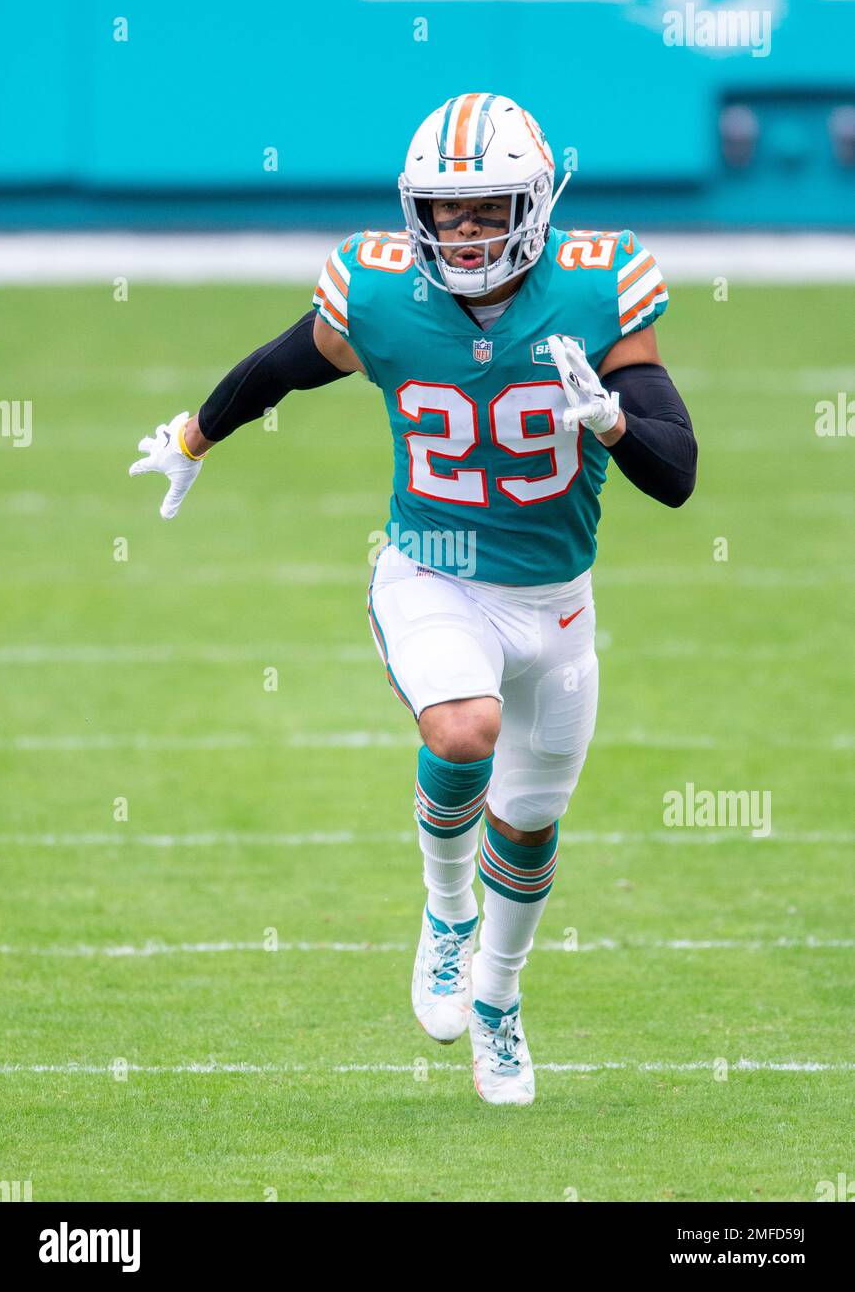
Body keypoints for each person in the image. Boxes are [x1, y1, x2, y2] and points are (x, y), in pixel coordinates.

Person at [130, 93, 697, 1106]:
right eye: (446, 210)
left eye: (485, 208)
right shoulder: (379, 294)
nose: (464, 229)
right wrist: (191, 438)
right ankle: (444, 915)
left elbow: (676, 472)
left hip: (557, 602)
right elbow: (281, 367)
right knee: (463, 725)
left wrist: (609, 420)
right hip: (429, 570)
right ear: (416, 212)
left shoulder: (598, 284)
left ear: (531, 202)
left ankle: (498, 1001)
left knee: (526, 824)